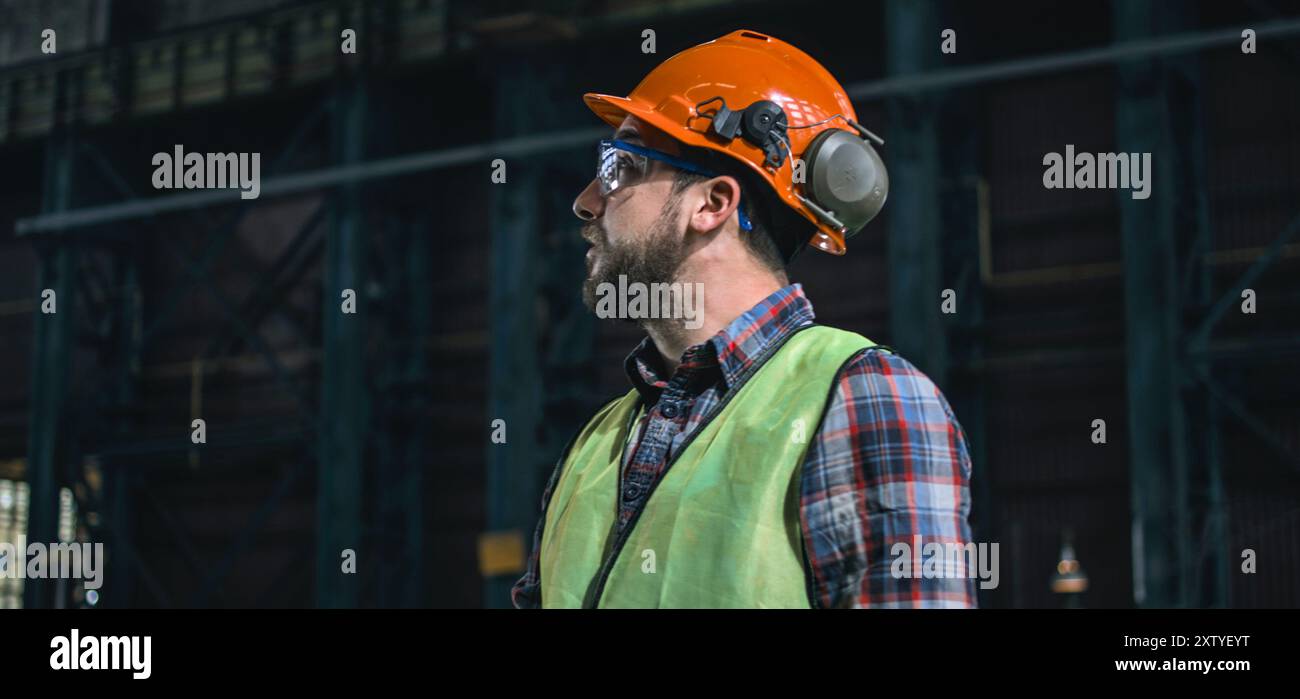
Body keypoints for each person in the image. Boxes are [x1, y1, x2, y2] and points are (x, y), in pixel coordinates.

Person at [512, 30, 976, 608]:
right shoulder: (595, 444)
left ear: (713, 204)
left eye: (622, 167)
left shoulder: (864, 399)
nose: (586, 200)